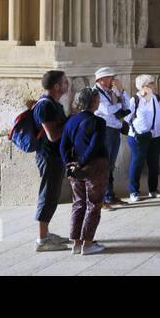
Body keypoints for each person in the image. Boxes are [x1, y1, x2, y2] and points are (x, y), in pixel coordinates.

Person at [60, 87, 110, 255]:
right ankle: (87, 244)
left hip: (75, 167)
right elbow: (94, 146)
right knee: (94, 204)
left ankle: (76, 243)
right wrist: (81, 163)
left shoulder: (71, 121)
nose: (99, 102)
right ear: (93, 102)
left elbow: (63, 146)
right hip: (94, 166)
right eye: (97, 99)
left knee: (78, 203)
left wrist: (70, 164)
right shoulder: (98, 122)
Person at [32, 70, 70, 252]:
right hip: (49, 157)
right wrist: (70, 122)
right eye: (64, 82)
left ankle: (46, 234)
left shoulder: (54, 104)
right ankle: (41, 240)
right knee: (47, 195)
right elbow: (53, 135)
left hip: (56, 156)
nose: (67, 85)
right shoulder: (45, 106)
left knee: (53, 195)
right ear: (56, 86)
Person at [92, 67, 132, 208]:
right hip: (105, 130)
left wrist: (121, 91)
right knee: (103, 165)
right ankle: (101, 198)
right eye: (110, 78)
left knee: (110, 165)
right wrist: (120, 105)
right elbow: (108, 110)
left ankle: (109, 195)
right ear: (101, 79)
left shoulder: (111, 92)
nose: (113, 81)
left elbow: (129, 105)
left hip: (114, 129)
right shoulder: (96, 92)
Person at [125, 74, 160, 203]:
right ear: (143, 86)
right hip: (139, 137)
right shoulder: (135, 100)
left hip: (156, 135)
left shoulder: (156, 98)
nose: (153, 85)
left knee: (153, 163)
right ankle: (133, 191)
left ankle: (153, 189)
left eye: (153, 83)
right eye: (151, 83)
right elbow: (127, 118)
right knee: (138, 163)